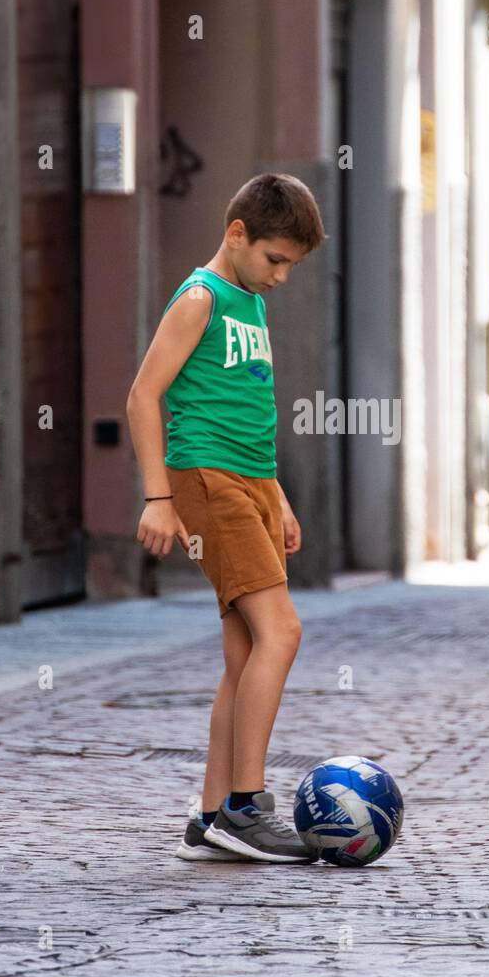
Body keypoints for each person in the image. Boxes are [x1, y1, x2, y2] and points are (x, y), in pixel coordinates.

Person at [126, 172, 326, 863]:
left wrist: (278, 496)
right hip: (206, 481)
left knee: (245, 650)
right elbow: (143, 396)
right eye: (275, 260)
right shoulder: (201, 298)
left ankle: (211, 815)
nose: (281, 277)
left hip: (250, 484)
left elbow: (249, 410)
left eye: (291, 267)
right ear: (236, 234)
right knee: (284, 631)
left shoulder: (248, 300)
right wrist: (159, 496)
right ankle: (247, 806)